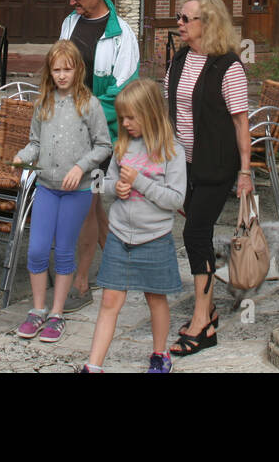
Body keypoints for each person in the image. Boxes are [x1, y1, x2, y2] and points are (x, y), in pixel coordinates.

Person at [164, 0, 253, 357]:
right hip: (183, 163)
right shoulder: (182, 58)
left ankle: (202, 322)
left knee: (195, 233)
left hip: (216, 165)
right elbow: (170, 106)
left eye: (187, 19)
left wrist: (245, 171)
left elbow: (241, 122)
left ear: (208, 23)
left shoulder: (228, 66)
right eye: (180, 18)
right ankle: (209, 309)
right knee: (196, 234)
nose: (180, 24)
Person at [81, 78, 185, 373]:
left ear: (151, 113)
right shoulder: (123, 146)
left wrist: (139, 182)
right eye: (122, 117)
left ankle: (160, 353)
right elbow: (103, 183)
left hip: (155, 238)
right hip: (120, 238)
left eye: (130, 117)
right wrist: (116, 189)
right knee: (110, 300)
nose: (124, 123)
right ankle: (94, 365)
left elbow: (176, 199)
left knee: (155, 298)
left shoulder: (171, 151)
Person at [13, 40, 111, 343]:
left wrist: (80, 167)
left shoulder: (89, 104)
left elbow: (104, 146)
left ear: (77, 69)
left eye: (67, 69)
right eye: (56, 70)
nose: (62, 75)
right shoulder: (44, 102)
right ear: (50, 72)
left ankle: (56, 313)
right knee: (38, 249)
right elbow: (36, 143)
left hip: (77, 190)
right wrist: (22, 156)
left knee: (65, 250)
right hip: (46, 186)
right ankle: (38, 310)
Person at [58, 0, 139, 311]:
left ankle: (81, 279)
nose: (71, 3)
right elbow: (58, 68)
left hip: (100, 132)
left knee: (87, 200)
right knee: (90, 202)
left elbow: (123, 92)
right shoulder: (71, 22)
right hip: (69, 126)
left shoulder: (123, 35)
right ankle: (122, 267)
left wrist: (85, 118)